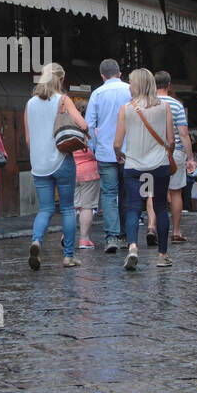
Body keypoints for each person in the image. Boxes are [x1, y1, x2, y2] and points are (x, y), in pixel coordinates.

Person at [24, 62, 86, 269]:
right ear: (60, 79)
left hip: (39, 164)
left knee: (45, 209)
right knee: (68, 209)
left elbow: (28, 139)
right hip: (61, 160)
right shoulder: (63, 100)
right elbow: (82, 125)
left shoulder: (30, 103)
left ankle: (36, 241)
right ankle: (68, 256)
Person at [115, 68, 174, 270]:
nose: (129, 86)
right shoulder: (164, 107)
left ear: (137, 85)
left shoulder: (126, 109)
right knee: (159, 207)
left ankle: (132, 246)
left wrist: (119, 155)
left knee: (132, 207)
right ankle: (162, 254)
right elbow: (171, 140)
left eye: (131, 82)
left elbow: (117, 142)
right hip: (158, 165)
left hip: (134, 166)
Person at [84, 58, 132, 253]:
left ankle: (112, 236)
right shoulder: (130, 90)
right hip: (129, 152)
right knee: (128, 194)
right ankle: (128, 235)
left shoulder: (97, 94)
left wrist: (94, 147)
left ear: (102, 76)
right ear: (120, 73)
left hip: (105, 152)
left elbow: (89, 125)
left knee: (109, 194)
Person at [155, 71, 197, 244]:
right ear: (169, 85)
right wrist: (191, 157)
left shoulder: (147, 104)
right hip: (175, 153)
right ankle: (176, 231)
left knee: (153, 192)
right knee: (176, 192)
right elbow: (184, 133)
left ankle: (153, 228)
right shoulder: (177, 105)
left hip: (152, 153)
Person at [73, 141, 99, 249]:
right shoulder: (90, 131)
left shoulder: (65, 127)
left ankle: (67, 235)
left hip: (71, 171)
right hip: (89, 172)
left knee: (71, 207)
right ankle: (84, 239)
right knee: (87, 207)